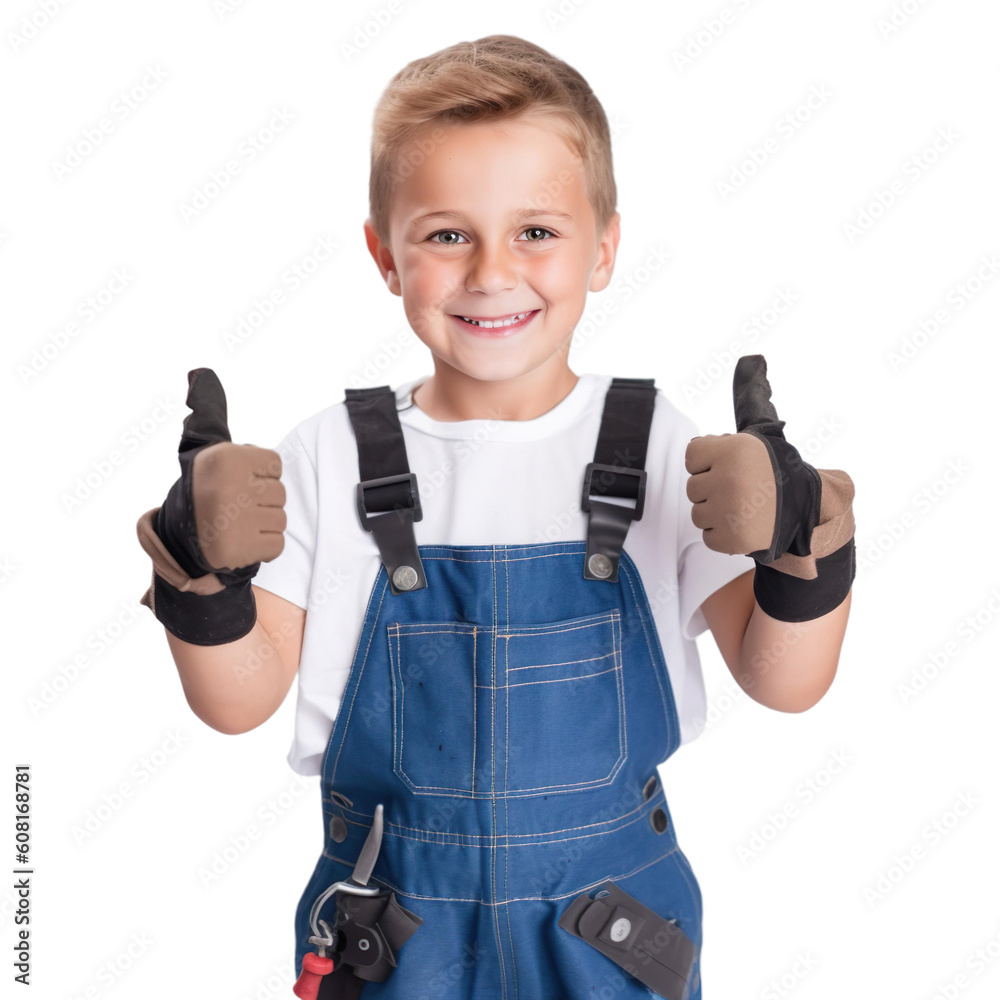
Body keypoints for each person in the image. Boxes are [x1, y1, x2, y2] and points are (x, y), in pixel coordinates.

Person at [134, 35, 855, 1000]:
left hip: (610, 930)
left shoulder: (660, 447)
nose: (491, 272)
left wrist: (803, 545)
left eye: (537, 231)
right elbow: (237, 702)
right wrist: (200, 578)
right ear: (385, 255)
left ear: (604, 248)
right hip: (394, 933)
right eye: (446, 236)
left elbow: (787, 682)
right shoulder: (325, 456)